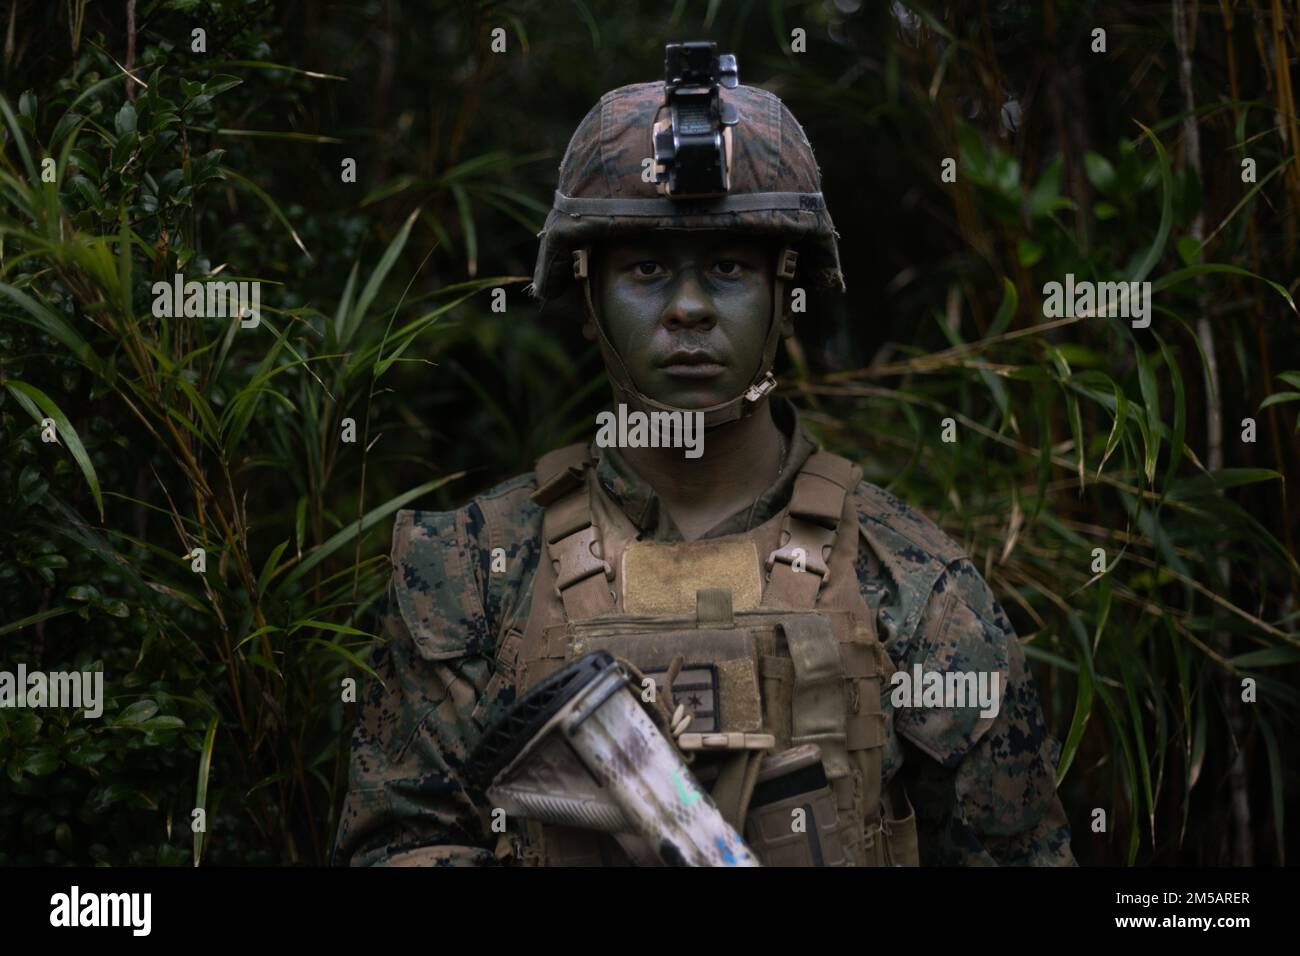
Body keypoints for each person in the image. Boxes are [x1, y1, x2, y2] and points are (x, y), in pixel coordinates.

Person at [333, 46, 1075, 867]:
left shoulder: (915, 587)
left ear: (782, 296)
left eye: (726, 267)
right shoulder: (466, 573)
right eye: (647, 268)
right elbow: (395, 847)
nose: (687, 308)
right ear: (590, 302)